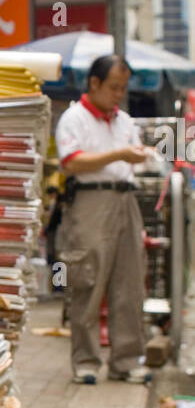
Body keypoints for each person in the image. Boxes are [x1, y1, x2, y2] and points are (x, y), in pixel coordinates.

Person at [55, 54, 151, 384]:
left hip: (126, 199)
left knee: (130, 282)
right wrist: (120, 154)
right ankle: (86, 361)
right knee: (86, 279)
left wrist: (141, 157)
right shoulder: (73, 118)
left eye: (123, 88)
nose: (118, 94)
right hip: (90, 200)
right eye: (113, 87)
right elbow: (72, 162)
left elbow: (134, 156)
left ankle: (126, 360)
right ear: (94, 84)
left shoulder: (124, 120)